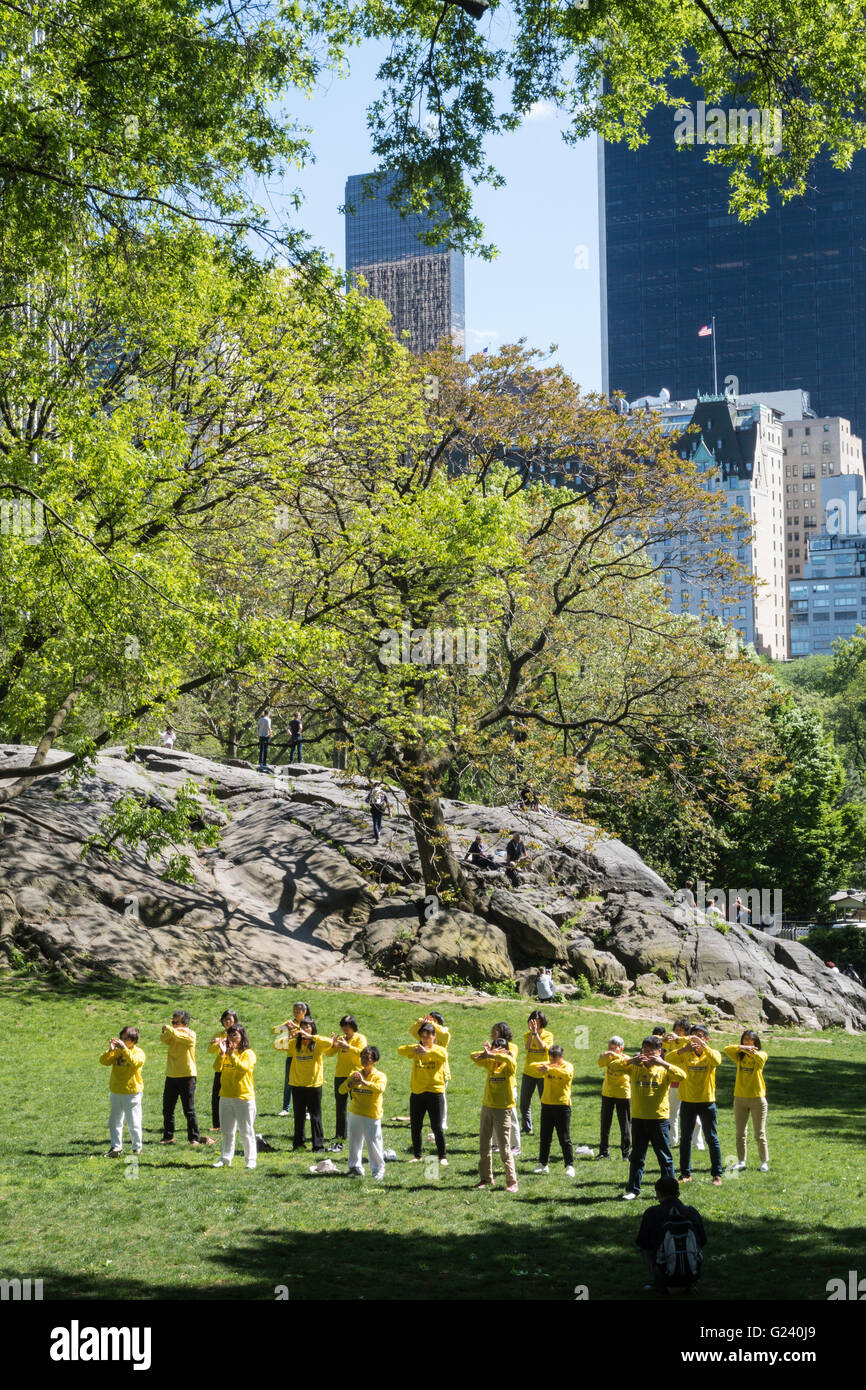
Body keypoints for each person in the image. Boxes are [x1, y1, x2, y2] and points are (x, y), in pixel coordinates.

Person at [607, 1037, 685, 1200]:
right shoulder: (635, 1067)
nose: (647, 1053)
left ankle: (669, 1192)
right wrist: (630, 1060)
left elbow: (682, 1076)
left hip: (659, 1119)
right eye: (645, 1049)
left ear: (659, 1052)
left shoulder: (664, 1069)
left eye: (652, 1050)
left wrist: (663, 1063)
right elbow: (612, 1066)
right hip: (639, 1119)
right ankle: (633, 1190)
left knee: (664, 1158)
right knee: (637, 1157)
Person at [664, 1025, 723, 1187]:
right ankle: (685, 1173)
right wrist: (683, 1049)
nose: (696, 1039)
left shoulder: (711, 1054)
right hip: (688, 1102)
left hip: (707, 1102)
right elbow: (667, 1060)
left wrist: (704, 1047)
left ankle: (717, 1174)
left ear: (707, 1038)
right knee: (685, 1139)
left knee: (712, 1138)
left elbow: (717, 1061)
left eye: (700, 1036)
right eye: (693, 1036)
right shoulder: (685, 1054)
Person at [636, 1177, 707, 1294]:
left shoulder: (652, 1213)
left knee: (645, 1248)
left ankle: (660, 1280)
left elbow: (643, 1243)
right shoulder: (691, 1212)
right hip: (691, 1273)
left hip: (664, 1271)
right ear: (678, 1193)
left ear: (657, 1193)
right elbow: (703, 1241)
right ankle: (689, 1281)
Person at [471, 1037, 519, 1192]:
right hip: (487, 1107)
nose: (497, 1051)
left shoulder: (509, 1064)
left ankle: (512, 1182)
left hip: (503, 1109)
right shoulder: (490, 1062)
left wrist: (493, 1054)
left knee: (505, 1149)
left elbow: (507, 1058)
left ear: (505, 1051)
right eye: (494, 1047)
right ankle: (486, 1178)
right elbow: (473, 1056)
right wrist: (488, 1053)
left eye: (500, 1048)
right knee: (484, 1146)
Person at [397, 1023, 449, 1165]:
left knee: (436, 1127)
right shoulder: (416, 1049)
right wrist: (415, 1050)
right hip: (417, 1093)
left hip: (435, 1093)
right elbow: (400, 1050)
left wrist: (426, 1052)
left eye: (428, 1036)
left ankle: (442, 1157)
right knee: (415, 1125)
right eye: (423, 1036)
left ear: (434, 1036)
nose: (425, 1039)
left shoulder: (439, 1050)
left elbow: (442, 1057)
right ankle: (417, 1155)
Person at [160, 1010, 212, 1148]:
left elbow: (177, 1035)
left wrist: (170, 1029)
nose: (174, 1025)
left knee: (188, 1109)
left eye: (177, 1022)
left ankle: (194, 1138)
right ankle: (168, 1136)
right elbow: (163, 1039)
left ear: (186, 1023)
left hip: (187, 1075)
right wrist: (170, 1030)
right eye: (173, 1022)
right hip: (171, 1075)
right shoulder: (172, 1034)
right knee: (167, 1108)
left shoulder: (191, 1034)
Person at [212, 1025, 257, 1170]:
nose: (232, 1038)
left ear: (242, 1037)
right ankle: (225, 1158)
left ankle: (250, 1160)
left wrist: (231, 1055)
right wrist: (222, 1054)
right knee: (227, 1130)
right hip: (225, 1095)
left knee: (246, 1131)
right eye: (229, 1036)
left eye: (235, 1035)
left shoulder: (248, 1054)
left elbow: (243, 1068)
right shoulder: (226, 1053)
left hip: (243, 1097)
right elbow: (217, 1068)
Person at [723, 1030, 769, 1172]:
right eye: (745, 1039)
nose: (747, 1042)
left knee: (759, 1133)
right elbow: (726, 1049)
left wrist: (749, 1050)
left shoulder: (761, 1054)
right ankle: (742, 1161)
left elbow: (760, 1059)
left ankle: (763, 1162)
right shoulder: (739, 1057)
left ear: (756, 1042)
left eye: (750, 1040)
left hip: (757, 1099)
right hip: (740, 1099)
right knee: (740, 1133)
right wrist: (742, 1048)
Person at [527, 1044, 575, 1176]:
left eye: (556, 1059)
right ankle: (543, 1164)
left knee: (564, 1138)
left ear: (562, 1057)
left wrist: (550, 1069)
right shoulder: (546, 1065)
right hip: (547, 1105)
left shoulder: (568, 1066)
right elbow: (530, 1067)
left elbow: (566, 1074)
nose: (553, 1061)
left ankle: (570, 1166)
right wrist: (548, 1066)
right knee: (545, 1137)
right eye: (551, 1058)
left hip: (562, 1106)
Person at [284, 1017, 331, 1153]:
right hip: (297, 1085)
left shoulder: (317, 1044)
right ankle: (298, 1145)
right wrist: (289, 1035)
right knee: (298, 1117)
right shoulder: (294, 1044)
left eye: (308, 1027)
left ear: (312, 1029)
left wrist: (312, 1037)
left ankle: (318, 1146)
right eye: (302, 1027)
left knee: (316, 1117)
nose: (304, 1029)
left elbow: (329, 1042)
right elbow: (277, 1045)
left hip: (314, 1086)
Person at [341, 1045, 388, 1179]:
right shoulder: (355, 1074)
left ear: (374, 1061)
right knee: (354, 1140)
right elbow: (341, 1090)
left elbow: (379, 1089)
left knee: (373, 1142)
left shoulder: (380, 1076)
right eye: (362, 1057)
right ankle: (355, 1166)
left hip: (372, 1114)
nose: (364, 1060)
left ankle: (378, 1169)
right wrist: (351, 1084)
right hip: (355, 1112)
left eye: (368, 1058)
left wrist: (364, 1082)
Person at [100, 1027, 146, 1157]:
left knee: (134, 1122)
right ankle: (116, 1147)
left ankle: (137, 1148)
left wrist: (124, 1049)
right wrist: (110, 1050)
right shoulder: (117, 1051)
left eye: (126, 1039)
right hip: (116, 1091)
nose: (122, 1041)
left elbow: (135, 1062)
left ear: (133, 1040)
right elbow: (103, 1061)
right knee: (114, 1121)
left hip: (132, 1092)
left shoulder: (139, 1052)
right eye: (122, 1038)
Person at [326, 1015, 368, 1151]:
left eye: (347, 1027)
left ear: (353, 1027)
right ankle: (340, 1135)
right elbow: (329, 1054)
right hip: (340, 1075)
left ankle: (361, 1133)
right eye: (343, 1026)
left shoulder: (360, 1038)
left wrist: (348, 1046)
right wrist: (333, 1044)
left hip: (355, 1076)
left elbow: (363, 1053)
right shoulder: (341, 1038)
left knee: (358, 1105)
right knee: (340, 1107)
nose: (345, 1029)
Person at [663, 1017, 705, 1152]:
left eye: (680, 1030)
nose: (677, 1032)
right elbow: (654, 1040)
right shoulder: (671, 1042)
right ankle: (672, 1140)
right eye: (675, 1030)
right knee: (672, 1114)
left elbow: (691, 1039)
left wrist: (678, 1039)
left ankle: (698, 1142)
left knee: (695, 1116)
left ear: (686, 1032)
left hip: (688, 1083)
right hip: (673, 1082)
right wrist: (664, 1040)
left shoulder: (690, 1042)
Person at [273, 1001, 312, 1117]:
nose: (295, 1014)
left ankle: (308, 1110)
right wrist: (283, 1027)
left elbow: (312, 1035)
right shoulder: (291, 1023)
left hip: (305, 1057)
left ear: (304, 1012)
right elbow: (273, 1031)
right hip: (291, 1056)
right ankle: (286, 1108)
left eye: (298, 1012)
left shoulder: (309, 1023)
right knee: (288, 1082)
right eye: (294, 1011)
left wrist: (298, 1028)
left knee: (306, 1083)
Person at [596, 1035, 631, 1161]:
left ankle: (626, 1154)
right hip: (607, 1094)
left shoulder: (626, 1058)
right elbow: (599, 1063)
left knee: (625, 1125)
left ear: (621, 1049)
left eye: (614, 1048)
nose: (611, 1050)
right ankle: (603, 1152)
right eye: (609, 1047)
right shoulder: (608, 1058)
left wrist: (614, 1055)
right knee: (605, 1124)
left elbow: (627, 1063)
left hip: (623, 1094)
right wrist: (603, 1056)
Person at [520, 1010, 554, 1135]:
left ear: (542, 1022)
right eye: (534, 1022)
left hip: (543, 1073)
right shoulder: (527, 1035)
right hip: (528, 1072)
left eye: (538, 1022)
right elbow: (528, 1047)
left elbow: (541, 1047)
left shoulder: (548, 1035)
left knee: (544, 1101)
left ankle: (547, 1127)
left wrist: (535, 1034)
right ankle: (527, 1127)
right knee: (524, 1103)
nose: (536, 1025)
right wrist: (532, 1034)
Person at [491, 1021, 521, 1155]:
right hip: (495, 1086)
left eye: (496, 1031)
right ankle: (495, 1143)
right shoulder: (493, 1046)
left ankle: (515, 1145)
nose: (493, 1033)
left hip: (509, 1086)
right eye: (493, 1031)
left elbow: (510, 1058)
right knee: (494, 1115)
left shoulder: (512, 1046)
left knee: (511, 1115)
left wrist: (493, 1052)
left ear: (503, 1032)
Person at [208, 1009, 239, 1131]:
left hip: (233, 1068)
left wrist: (224, 1041)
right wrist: (217, 1043)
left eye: (229, 1019)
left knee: (233, 1096)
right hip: (220, 1067)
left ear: (235, 1021)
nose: (227, 1022)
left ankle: (234, 1122)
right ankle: (217, 1124)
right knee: (216, 1096)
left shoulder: (238, 1033)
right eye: (225, 1019)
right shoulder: (219, 1034)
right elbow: (210, 1050)